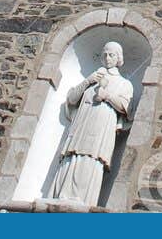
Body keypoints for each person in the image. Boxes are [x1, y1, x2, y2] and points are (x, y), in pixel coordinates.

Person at [52, 41, 134, 208]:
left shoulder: (124, 83)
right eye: (104, 54)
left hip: (101, 130)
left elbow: (126, 108)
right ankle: (61, 196)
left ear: (119, 58)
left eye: (111, 55)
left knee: (92, 159)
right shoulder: (92, 79)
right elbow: (72, 99)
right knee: (72, 156)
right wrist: (88, 81)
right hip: (81, 127)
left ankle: (83, 200)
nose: (107, 58)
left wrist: (107, 96)